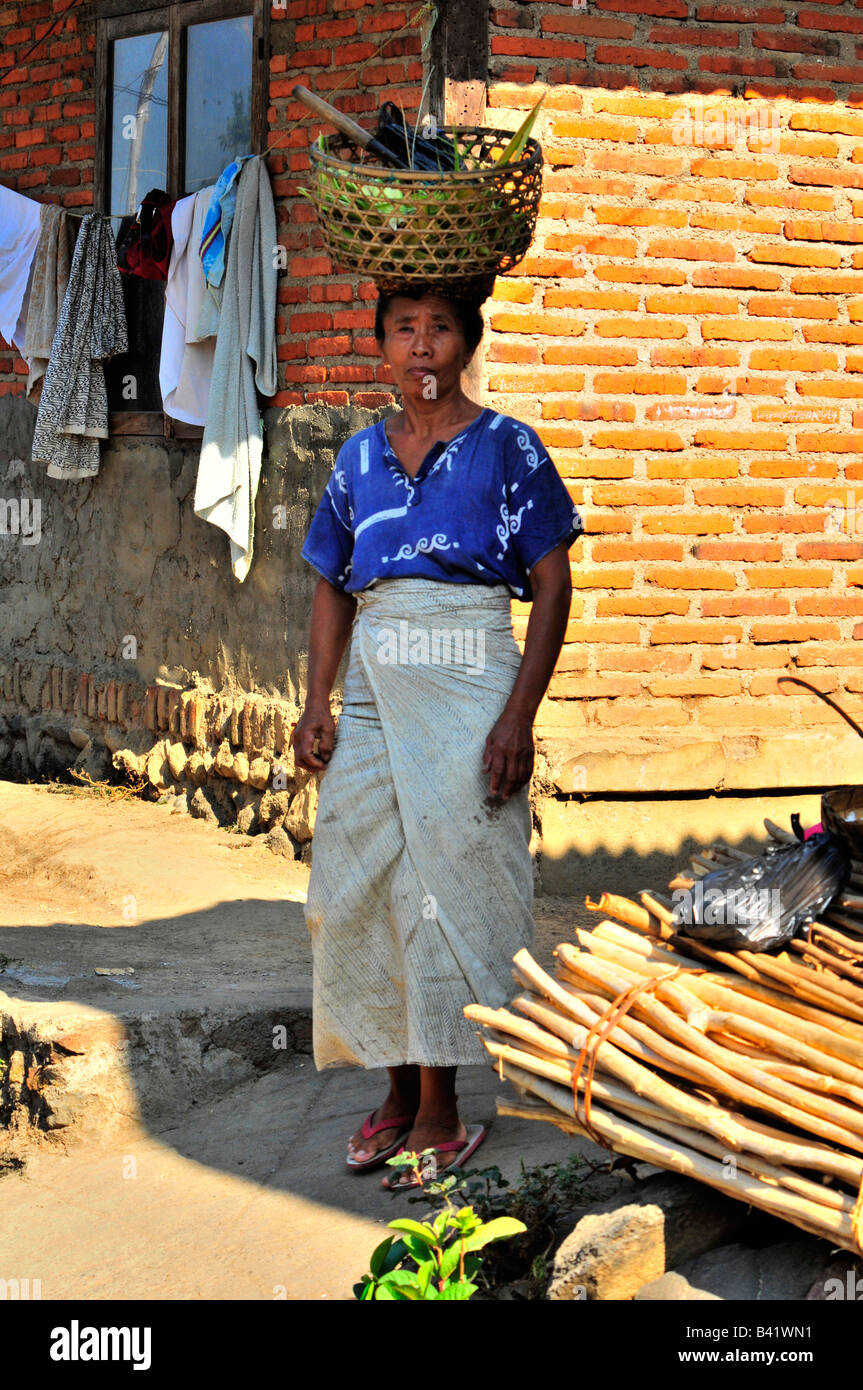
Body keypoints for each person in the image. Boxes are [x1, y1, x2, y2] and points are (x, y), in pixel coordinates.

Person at [291, 286, 583, 1189]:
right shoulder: (357, 460)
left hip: (469, 681)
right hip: (376, 688)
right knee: (353, 883)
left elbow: (551, 581)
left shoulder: (507, 449)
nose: (421, 346)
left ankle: (441, 1105)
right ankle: (391, 1084)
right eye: (403, 330)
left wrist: (516, 717)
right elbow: (333, 584)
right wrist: (316, 702)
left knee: (442, 889)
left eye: (439, 328)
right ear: (381, 348)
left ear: (468, 342)